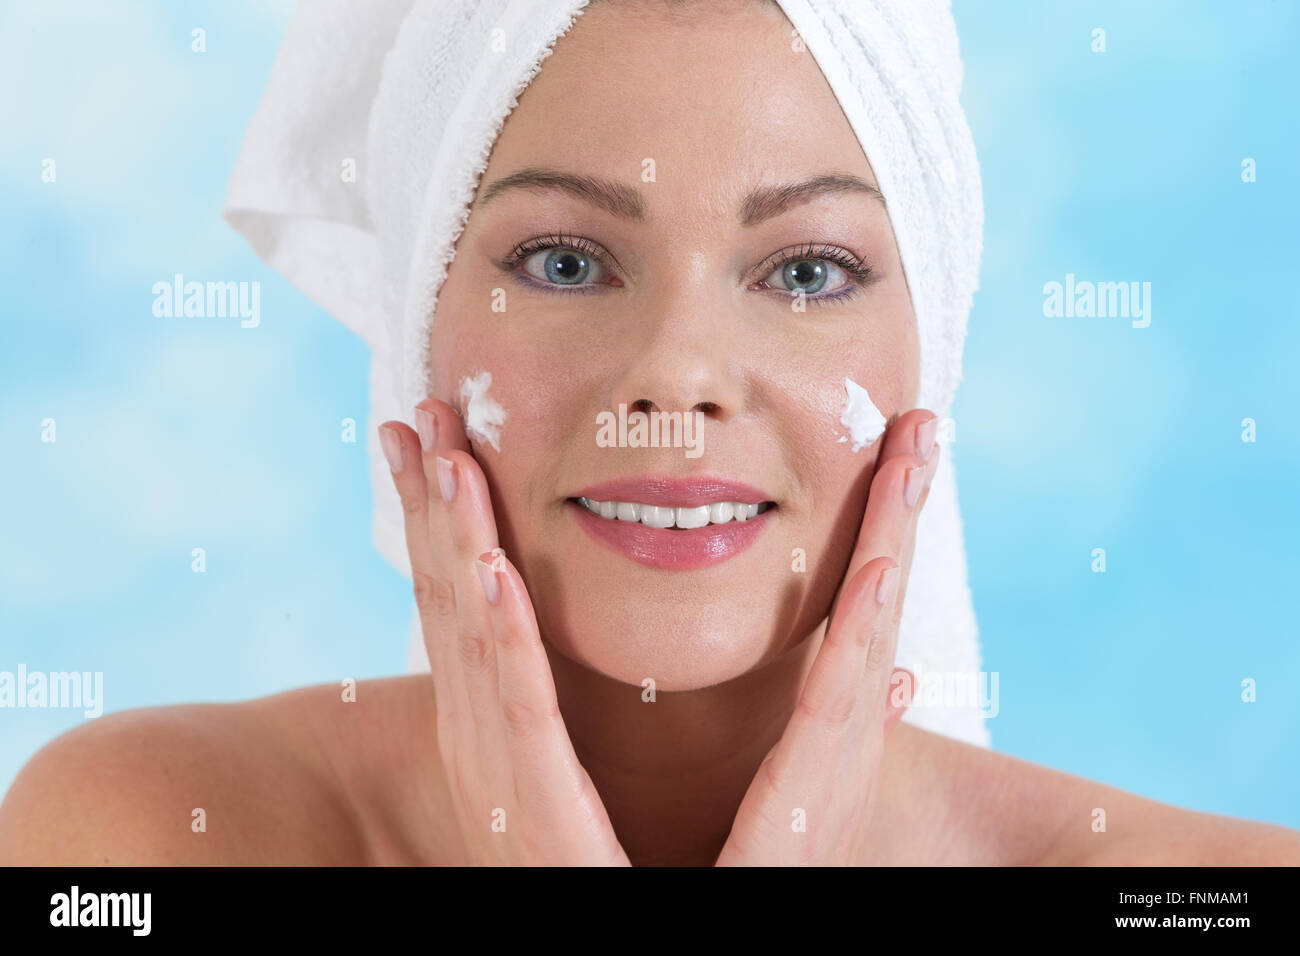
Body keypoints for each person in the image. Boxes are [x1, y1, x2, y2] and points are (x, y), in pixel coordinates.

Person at [2, 0, 1296, 866]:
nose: (676, 377)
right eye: (565, 261)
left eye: (804, 273)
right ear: (414, 338)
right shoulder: (144, 836)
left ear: (934, 344)